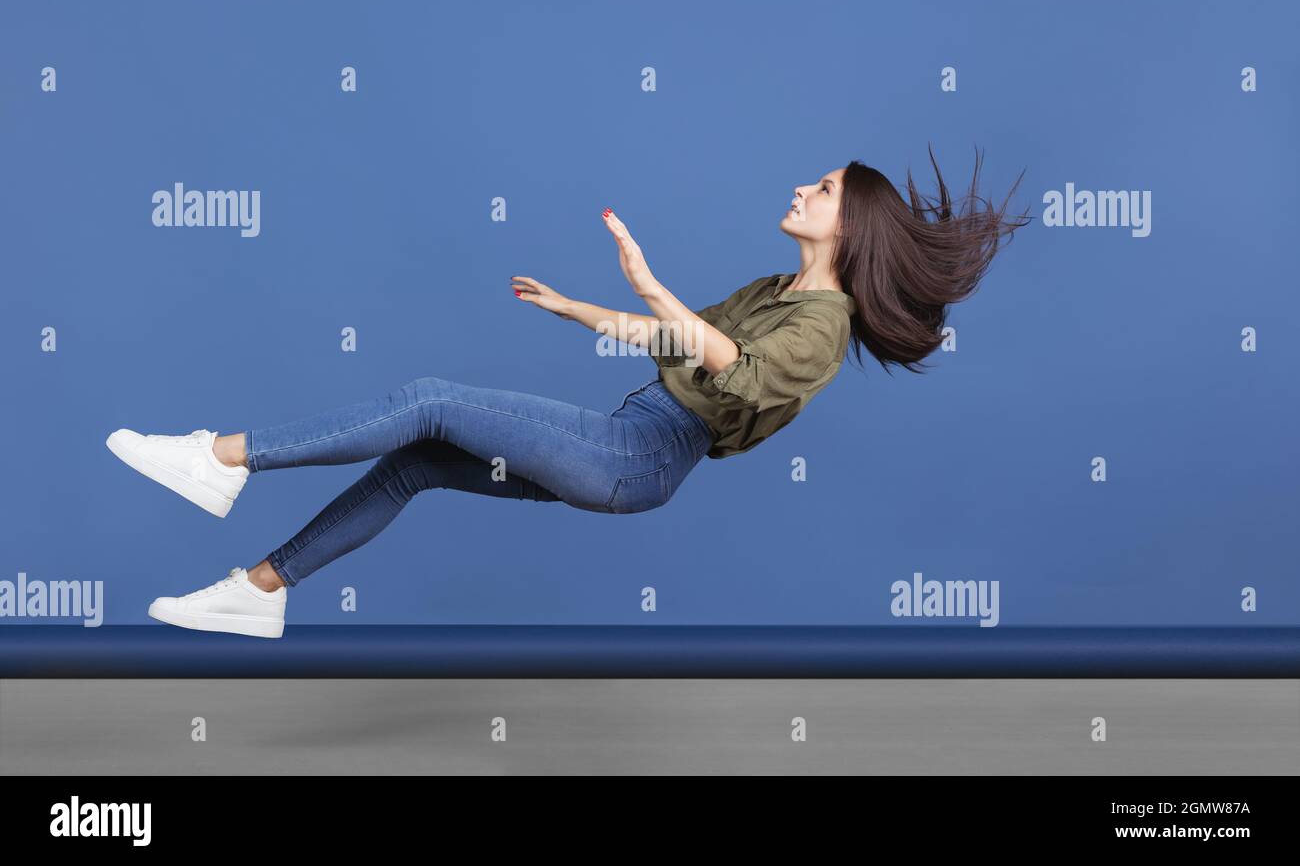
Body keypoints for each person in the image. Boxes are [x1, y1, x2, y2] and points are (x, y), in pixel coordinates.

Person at [106, 148, 1030, 638]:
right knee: (418, 461)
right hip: (625, 438)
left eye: (821, 187)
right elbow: (673, 337)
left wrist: (651, 283)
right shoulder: (773, 290)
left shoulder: (822, 327)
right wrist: (575, 307)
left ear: (849, 221)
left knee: (428, 396)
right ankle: (260, 589)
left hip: (638, 458)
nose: (802, 186)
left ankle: (218, 457)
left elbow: (728, 368)